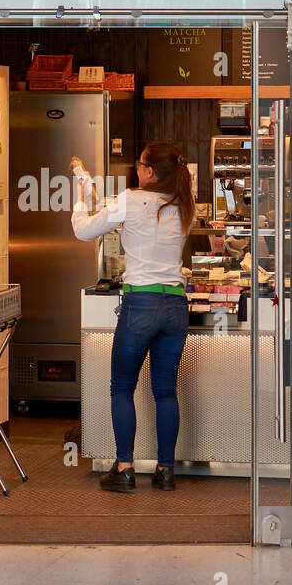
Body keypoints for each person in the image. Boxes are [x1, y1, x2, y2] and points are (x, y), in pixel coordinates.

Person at [72, 142, 195, 492]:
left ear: (150, 171)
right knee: (166, 392)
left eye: (140, 164)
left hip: (141, 303)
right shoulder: (184, 206)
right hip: (175, 305)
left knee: (122, 388)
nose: (136, 169)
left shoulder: (131, 199)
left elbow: (83, 231)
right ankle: (166, 471)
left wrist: (81, 196)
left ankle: (124, 469)